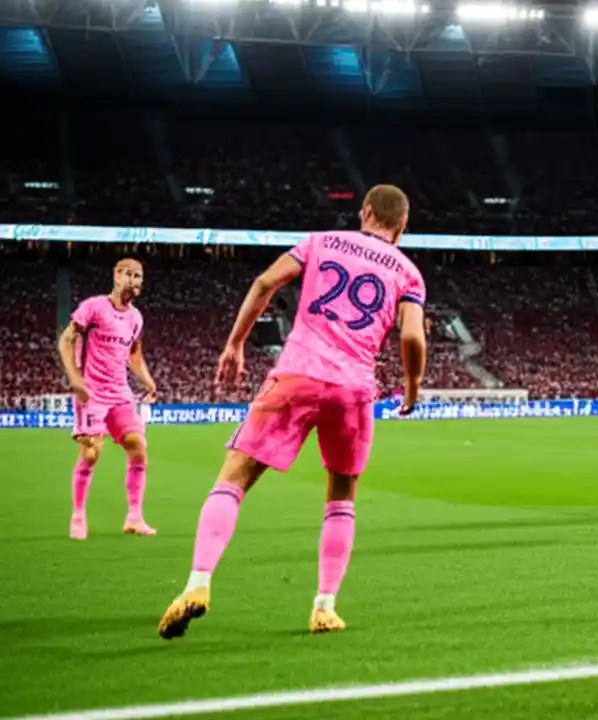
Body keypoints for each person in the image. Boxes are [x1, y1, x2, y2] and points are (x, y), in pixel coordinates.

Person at [158, 185, 428, 639]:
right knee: (341, 497)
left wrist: (236, 342)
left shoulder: (320, 241)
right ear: (402, 227)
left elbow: (264, 283)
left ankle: (198, 583)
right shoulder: (409, 272)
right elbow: (413, 338)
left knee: (233, 478)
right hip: (353, 390)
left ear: (363, 211)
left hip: (296, 375)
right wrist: (413, 384)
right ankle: (324, 606)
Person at [57, 258, 158, 540]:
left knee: (139, 447)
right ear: (116, 276)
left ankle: (134, 517)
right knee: (91, 452)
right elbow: (66, 339)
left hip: (120, 393)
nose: (136, 280)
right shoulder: (94, 307)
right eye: (130, 275)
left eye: (139, 276)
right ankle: (78, 515)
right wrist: (75, 378)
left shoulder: (136, 318)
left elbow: (134, 355)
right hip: (92, 393)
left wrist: (146, 380)